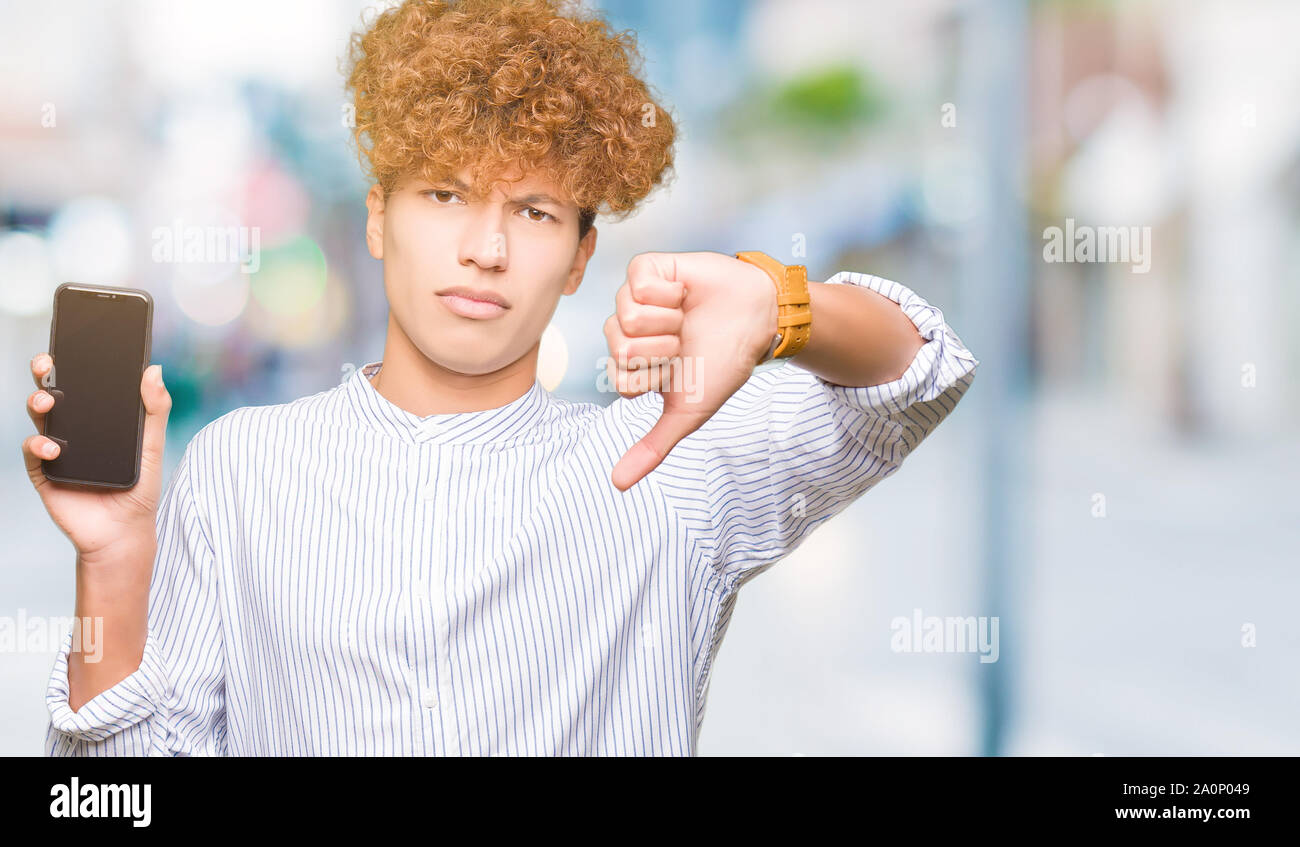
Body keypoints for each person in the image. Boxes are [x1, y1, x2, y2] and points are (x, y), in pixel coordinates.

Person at [21, 0, 978, 755]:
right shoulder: (241, 470)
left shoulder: (663, 463)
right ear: (377, 218)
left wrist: (782, 303)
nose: (485, 247)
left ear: (579, 255)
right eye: (445, 194)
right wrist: (110, 568)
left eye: (532, 211)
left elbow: (918, 375)